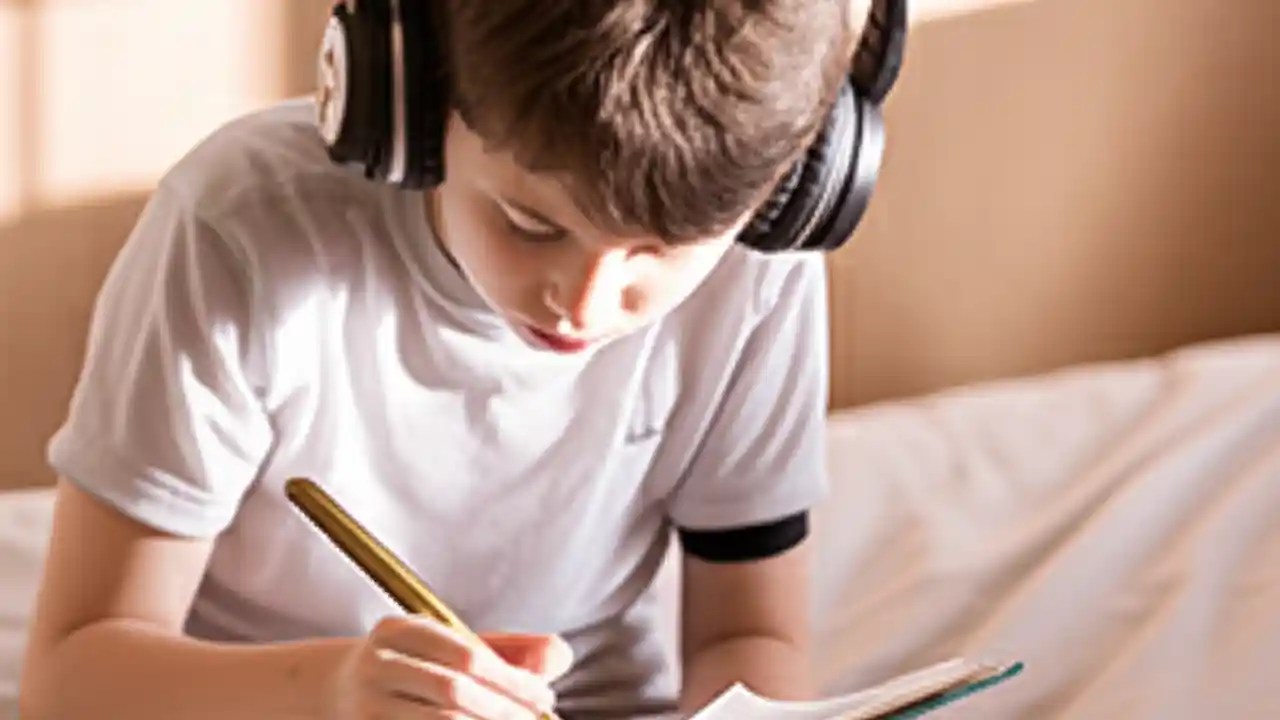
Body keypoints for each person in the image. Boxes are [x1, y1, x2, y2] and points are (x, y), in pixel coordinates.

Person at [19, 0, 905, 717]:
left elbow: (746, 640)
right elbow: (73, 680)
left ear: (798, 190)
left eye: (665, 251)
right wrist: (332, 692)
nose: (587, 307)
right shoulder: (241, 233)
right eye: (531, 224)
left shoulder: (762, 267)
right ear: (411, 99)